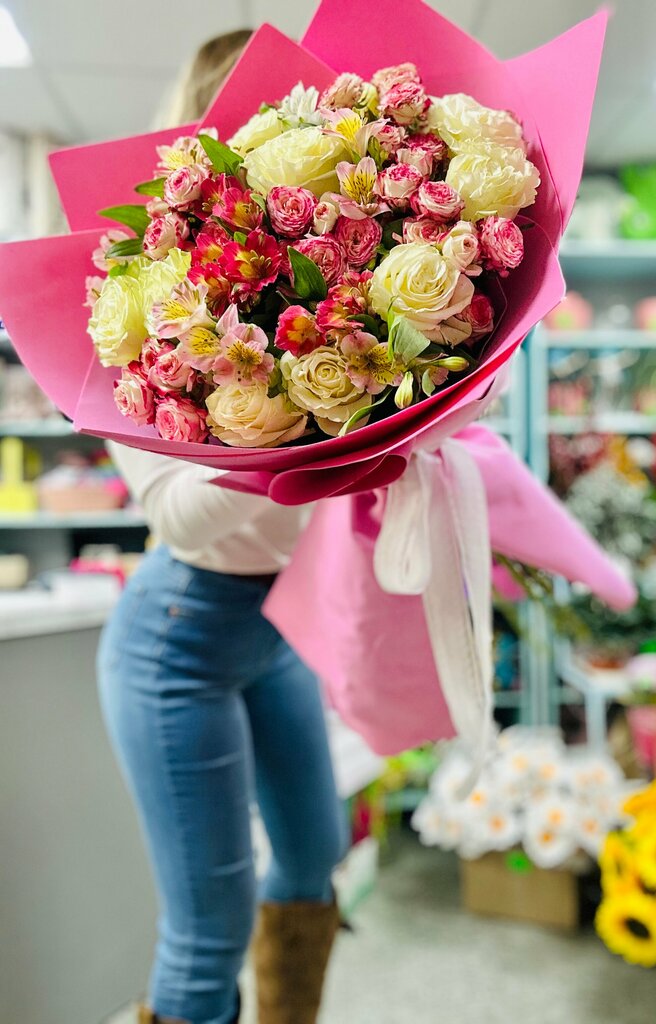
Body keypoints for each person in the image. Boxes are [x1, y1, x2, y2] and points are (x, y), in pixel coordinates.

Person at [97, 30, 348, 1024]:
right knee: (207, 927)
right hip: (178, 638)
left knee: (315, 853)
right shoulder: (138, 305)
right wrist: (303, 410)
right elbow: (186, 518)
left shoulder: (339, 293)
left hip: (276, 626)